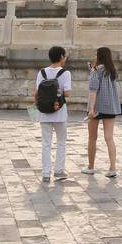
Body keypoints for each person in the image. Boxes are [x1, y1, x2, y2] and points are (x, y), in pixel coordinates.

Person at [82, 46, 122, 178]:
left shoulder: (96, 71)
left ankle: (91, 166)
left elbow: (93, 91)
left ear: (99, 56)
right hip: (110, 107)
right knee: (109, 138)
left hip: (97, 108)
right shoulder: (112, 71)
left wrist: (91, 109)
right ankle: (112, 168)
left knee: (92, 138)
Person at [34, 45, 73, 183]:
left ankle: (45, 173)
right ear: (61, 57)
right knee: (61, 142)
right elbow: (67, 93)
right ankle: (58, 171)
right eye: (65, 56)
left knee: (46, 143)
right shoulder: (65, 73)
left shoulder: (42, 73)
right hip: (60, 112)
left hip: (44, 112)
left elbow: (37, 93)